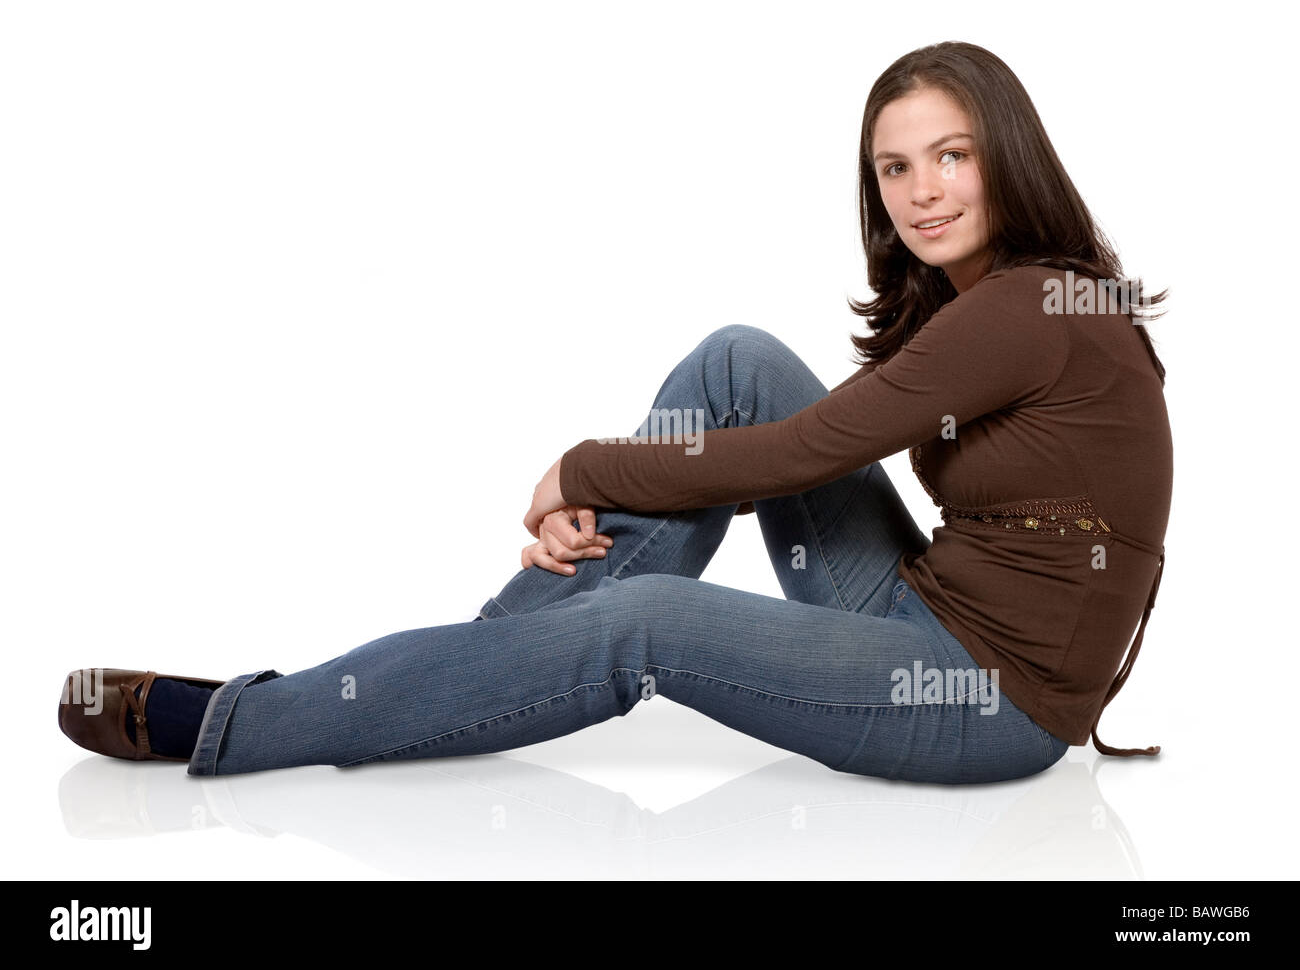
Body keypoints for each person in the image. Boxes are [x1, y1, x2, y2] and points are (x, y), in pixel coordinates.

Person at [57, 41, 1171, 785]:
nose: (920, 191)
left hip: (986, 702)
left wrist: (582, 470)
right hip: (922, 609)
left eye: (951, 156)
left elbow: (806, 452)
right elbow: (788, 432)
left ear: (1006, 157)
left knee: (645, 628)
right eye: (893, 168)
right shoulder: (1006, 297)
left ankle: (238, 721)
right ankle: (498, 658)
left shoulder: (1027, 307)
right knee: (739, 359)